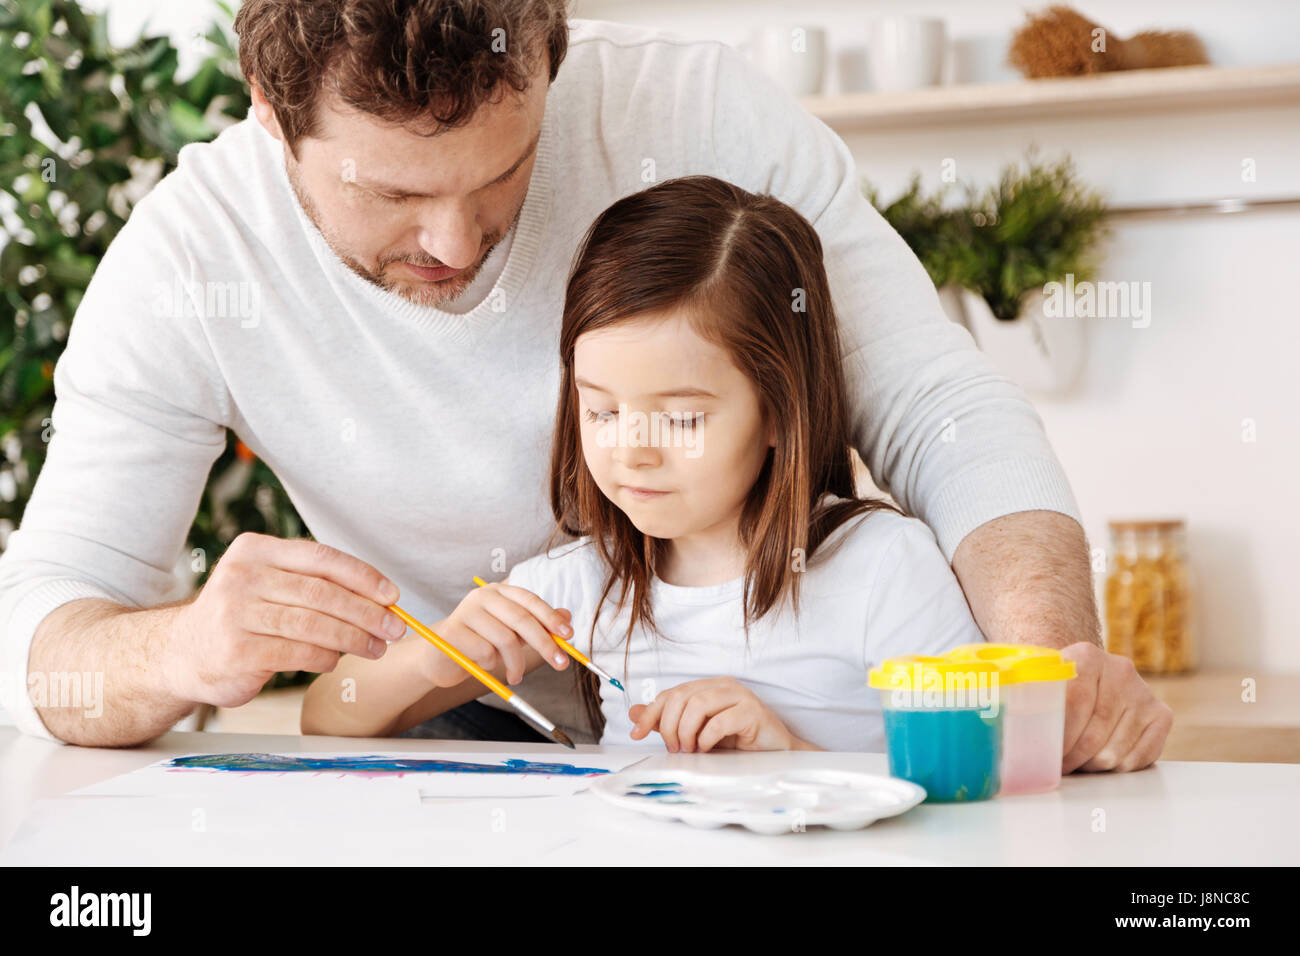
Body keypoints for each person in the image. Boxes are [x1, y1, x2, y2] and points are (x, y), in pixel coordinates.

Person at [0, 2, 1169, 771]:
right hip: (455, 714)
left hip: (762, 693)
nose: (455, 243)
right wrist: (182, 651)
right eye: (392, 198)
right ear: (272, 115)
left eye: (503, 171)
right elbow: (44, 632)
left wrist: (1042, 672)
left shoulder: (694, 115)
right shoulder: (190, 259)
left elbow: (937, 406)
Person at [302, 175, 990, 752]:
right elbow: (328, 721)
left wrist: (792, 758)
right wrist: (434, 656)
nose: (631, 448)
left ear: (781, 411)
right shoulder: (590, 585)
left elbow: (987, 780)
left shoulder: (883, 568)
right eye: (602, 411)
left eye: (683, 418)